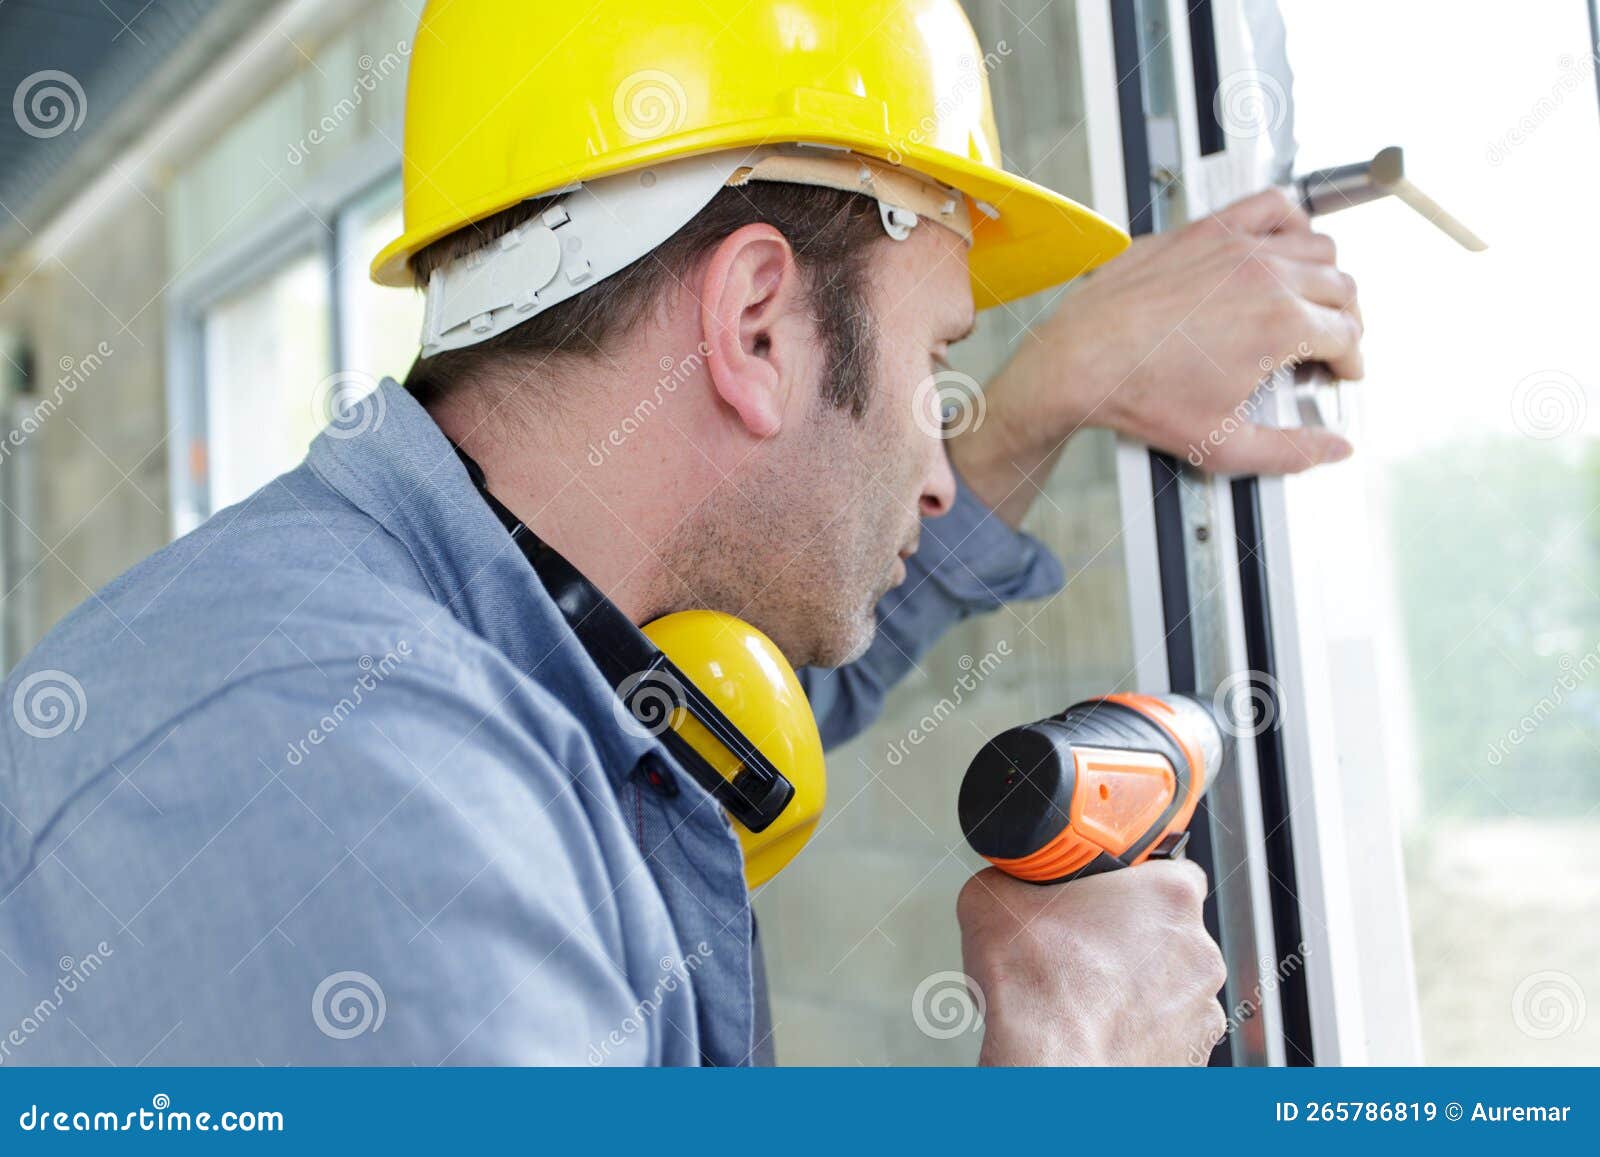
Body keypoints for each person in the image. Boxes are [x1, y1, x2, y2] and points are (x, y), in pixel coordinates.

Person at [0, 0, 1361, 1066]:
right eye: (931, 362)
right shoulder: (368, 790)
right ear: (757, 325)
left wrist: (1042, 395)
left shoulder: (490, 633)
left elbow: (727, 691)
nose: (935, 475)